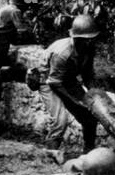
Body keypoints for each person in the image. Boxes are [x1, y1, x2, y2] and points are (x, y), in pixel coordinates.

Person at [40, 13, 102, 153]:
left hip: (67, 80)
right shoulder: (63, 53)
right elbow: (54, 81)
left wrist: (92, 95)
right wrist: (75, 101)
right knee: (60, 121)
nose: (89, 42)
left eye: (92, 39)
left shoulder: (89, 50)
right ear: (77, 38)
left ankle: (89, 154)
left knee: (89, 117)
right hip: (47, 81)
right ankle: (49, 156)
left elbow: (87, 74)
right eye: (86, 39)